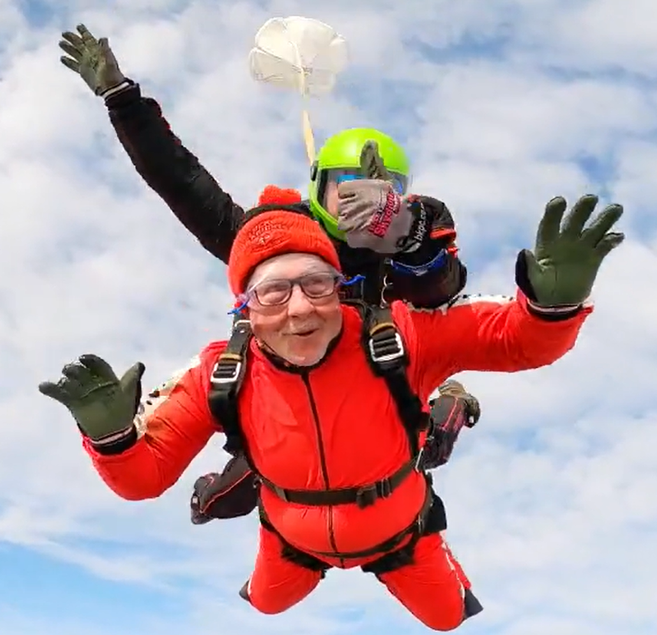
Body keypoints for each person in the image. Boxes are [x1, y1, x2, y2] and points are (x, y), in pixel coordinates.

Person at [38, 187, 624, 630]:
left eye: (317, 284)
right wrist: (112, 438)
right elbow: (144, 479)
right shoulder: (222, 369)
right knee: (266, 604)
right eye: (272, 291)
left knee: (448, 618)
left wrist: (554, 304)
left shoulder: (397, 335)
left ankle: (434, 509)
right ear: (244, 305)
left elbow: (515, 341)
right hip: (292, 540)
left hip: (402, 533)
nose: (299, 310)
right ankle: (279, 562)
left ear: (340, 284)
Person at [57, 23, 482, 525]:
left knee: (440, 413)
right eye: (343, 186)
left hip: (375, 395)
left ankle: (417, 461)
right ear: (317, 188)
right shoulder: (272, 239)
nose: (356, 200)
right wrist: (122, 100)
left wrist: (405, 231)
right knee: (226, 497)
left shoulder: (400, 258)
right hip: (281, 396)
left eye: (377, 188)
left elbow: (442, 285)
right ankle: (225, 485)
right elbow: (184, 183)